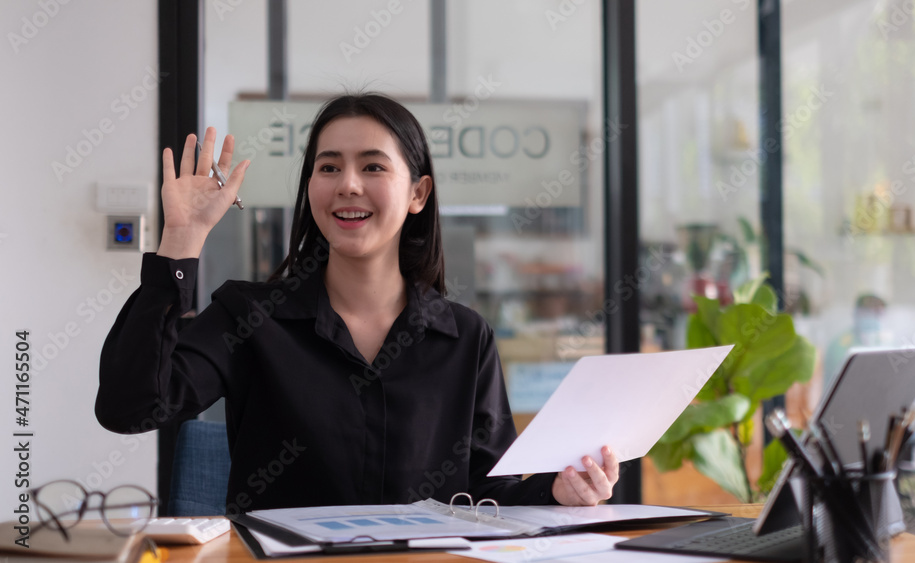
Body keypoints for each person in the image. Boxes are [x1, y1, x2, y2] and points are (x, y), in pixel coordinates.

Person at [96, 93, 618, 514]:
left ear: (418, 194)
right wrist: (181, 242)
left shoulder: (465, 337)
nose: (348, 185)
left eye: (372, 167)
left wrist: (557, 492)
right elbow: (130, 406)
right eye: (328, 168)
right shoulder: (249, 317)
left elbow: (485, 497)